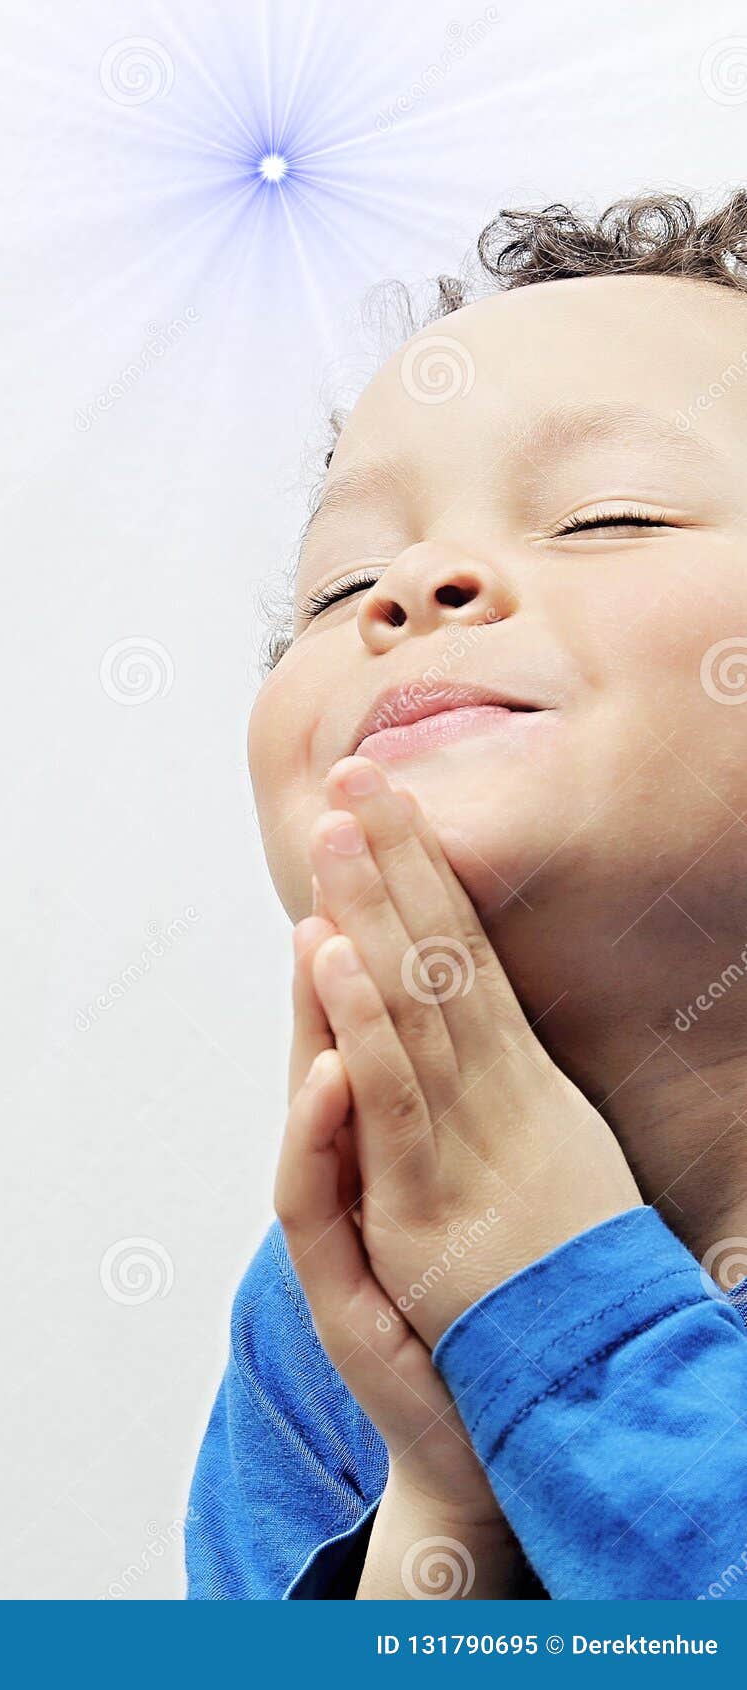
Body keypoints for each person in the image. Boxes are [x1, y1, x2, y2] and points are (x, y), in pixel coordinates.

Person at [187, 193, 747, 1600]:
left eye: (604, 515)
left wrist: (549, 1304)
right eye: (337, 585)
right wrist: (447, 1502)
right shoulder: (326, 1312)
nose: (408, 591)